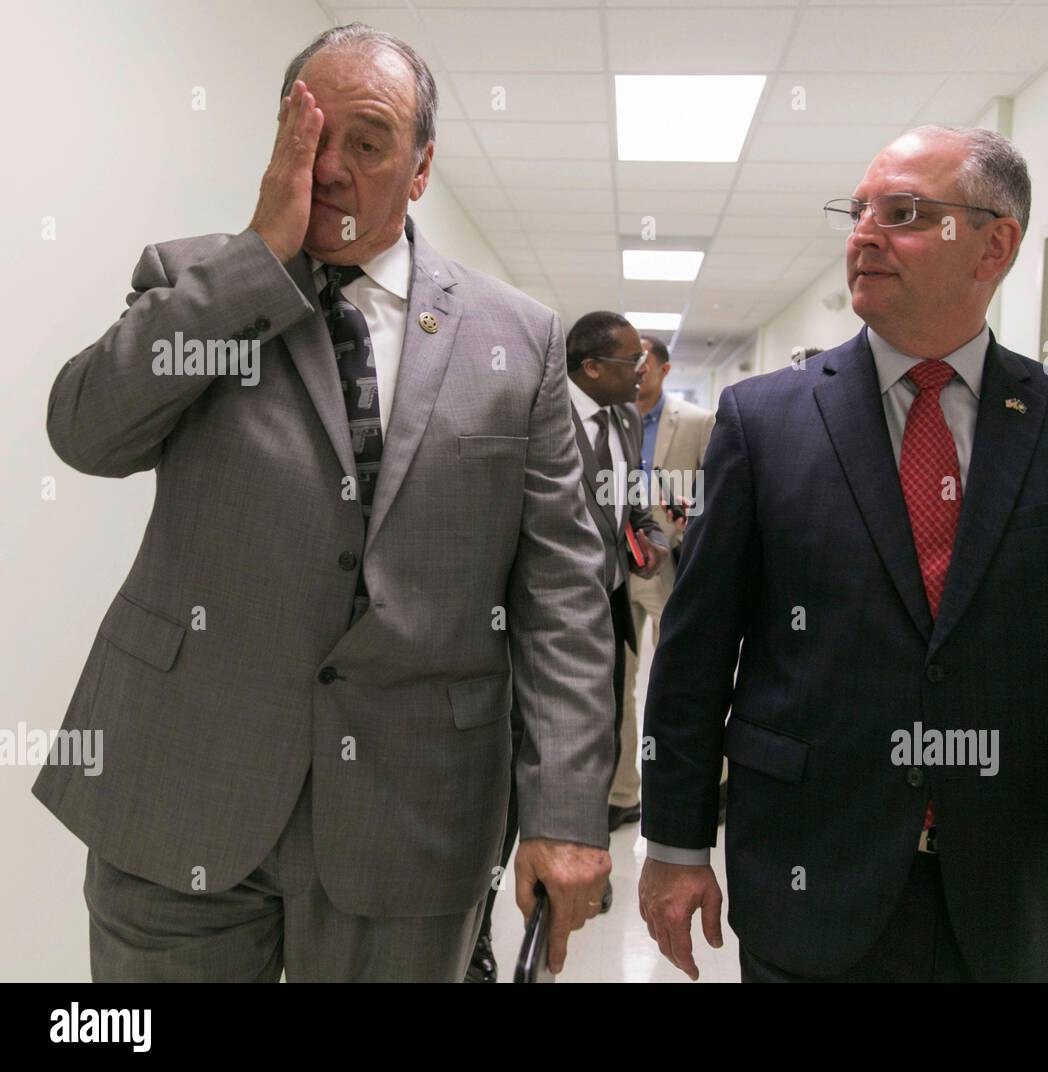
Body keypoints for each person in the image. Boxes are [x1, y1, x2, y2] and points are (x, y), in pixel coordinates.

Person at [34, 22, 614, 982]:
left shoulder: (520, 341)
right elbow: (87, 433)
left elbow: (562, 599)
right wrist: (255, 265)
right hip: (183, 783)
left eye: (369, 141)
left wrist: (563, 811)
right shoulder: (195, 284)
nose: (331, 166)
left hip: (412, 815)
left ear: (421, 169)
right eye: (309, 133)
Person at [637, 125, 1048, 983]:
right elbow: (696, 651)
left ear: (995, 244)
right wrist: (677, 841)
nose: (863, 235)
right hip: (811, 879)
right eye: (858, 211)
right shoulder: (765, 422)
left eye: (903, 213)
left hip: (1015, 900)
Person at [465, 311, 667, 981]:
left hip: (605, 608)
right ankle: (478, 930)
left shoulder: (625, 421)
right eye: (631, 361)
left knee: (599, 735)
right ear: (589, 369)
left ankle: (582, 850)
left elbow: (629, 501)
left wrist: (648, 540)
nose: (644, 372)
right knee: (512, 768)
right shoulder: (534, 414)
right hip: (533, 620)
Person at [609, 334, 716, 832]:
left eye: (643, 360)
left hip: (673, 567)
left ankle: (701, 787)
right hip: (615, 569)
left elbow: (715, 491)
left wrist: (688, 522)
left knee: (683, 681)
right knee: (615, 682)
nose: (635, 368)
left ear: (665, 370)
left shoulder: (696, 422)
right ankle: (621, 792)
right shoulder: (607, 419)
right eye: (628, 360)